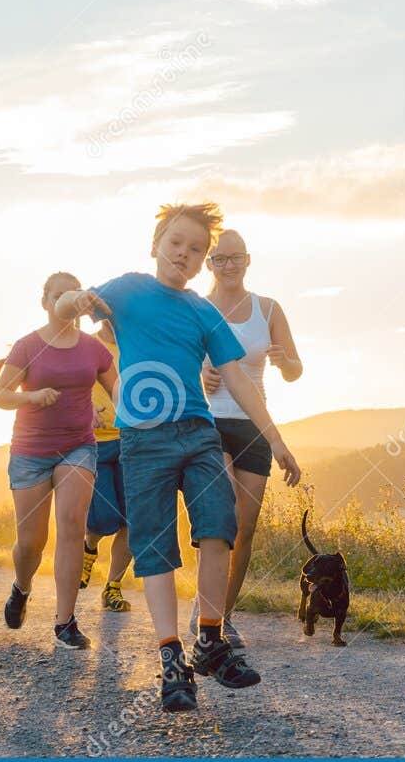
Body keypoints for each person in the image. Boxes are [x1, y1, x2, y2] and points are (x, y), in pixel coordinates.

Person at [56, 202, 299, 713]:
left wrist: (275, 439)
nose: (184, 255)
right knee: (156, 547)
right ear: (156, 246)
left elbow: (237, 378)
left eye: (195, 250)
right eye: (176, 245)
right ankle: (172, 657)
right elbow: (66, 310)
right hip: (143, 441)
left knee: (219, 525)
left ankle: (209, 638)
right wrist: (74, 299)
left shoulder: (203, 311)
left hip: (199, 433)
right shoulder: (127, 289)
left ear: (202, 262)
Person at [0, 273, 116, 651]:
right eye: (58, 295)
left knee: (73, 527)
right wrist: (32, 397)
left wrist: (124, 414)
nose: (66, 301)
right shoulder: (28, 346)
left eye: (73, 295)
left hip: (79, 447)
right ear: (45, 302)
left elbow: (117, 388)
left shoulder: (93, 348)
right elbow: (0, 395)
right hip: (30, 452)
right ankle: (21, 587)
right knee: (31, 541)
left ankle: (65, 622)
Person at [199, 229, 303, 647]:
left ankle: (223, 616)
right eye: (219, 259)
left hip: (254, 423)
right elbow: (177, 363)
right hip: (208, 421)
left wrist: (285, 361)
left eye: (235, 257)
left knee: (246, 525)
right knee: (221, 518)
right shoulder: (198, 308)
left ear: (247, 259)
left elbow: (296, 370)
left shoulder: (269, 308)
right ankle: (205, 612)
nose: (228, 265)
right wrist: (198, 373)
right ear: (209, 264)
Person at [79, 319, 133, 613]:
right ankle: (88, 551)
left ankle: (112, 586)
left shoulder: (135, 344)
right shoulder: (86, 344)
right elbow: (69, 384)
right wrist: (84, 409)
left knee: (131, 520)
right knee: (103, 518)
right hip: (94, 442)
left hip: (131, 440)